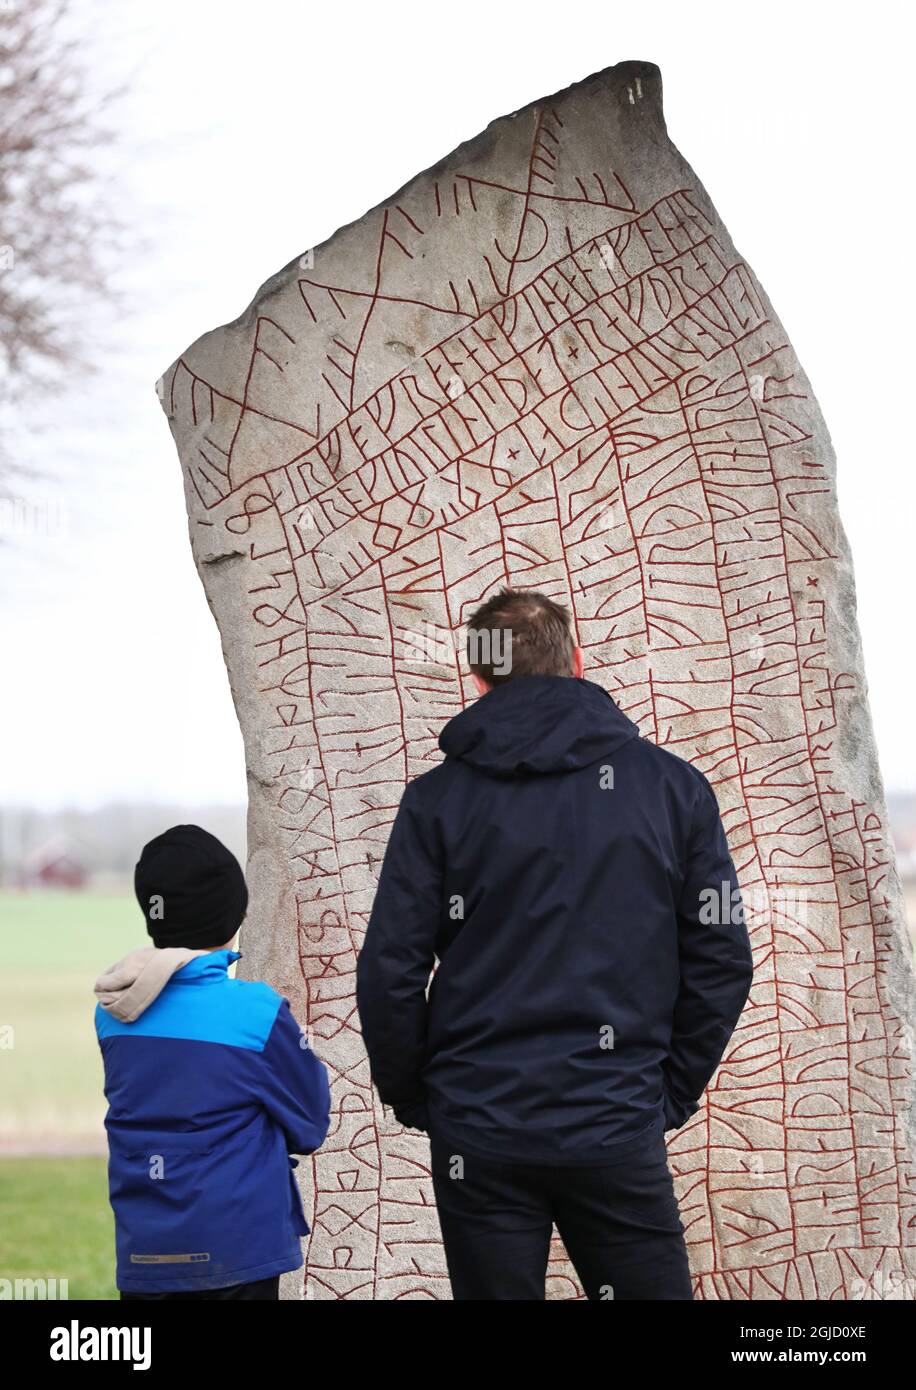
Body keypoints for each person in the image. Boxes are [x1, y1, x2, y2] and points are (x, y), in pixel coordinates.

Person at [356, 587, 754, 1301]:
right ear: (576, 660)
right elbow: (723, 956)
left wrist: (420, 1096)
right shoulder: (673, 789)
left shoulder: (437, 801)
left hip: (479, 1128)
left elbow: (390, 966)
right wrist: (665, 1094)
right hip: (614, 1122)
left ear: (478, 677)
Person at [94, 824, 330, 1300]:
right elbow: (310, 1123)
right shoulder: (256, 1014)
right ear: (233, 916)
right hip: (238, 1253)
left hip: (147, 1250)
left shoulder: (113, 1013)